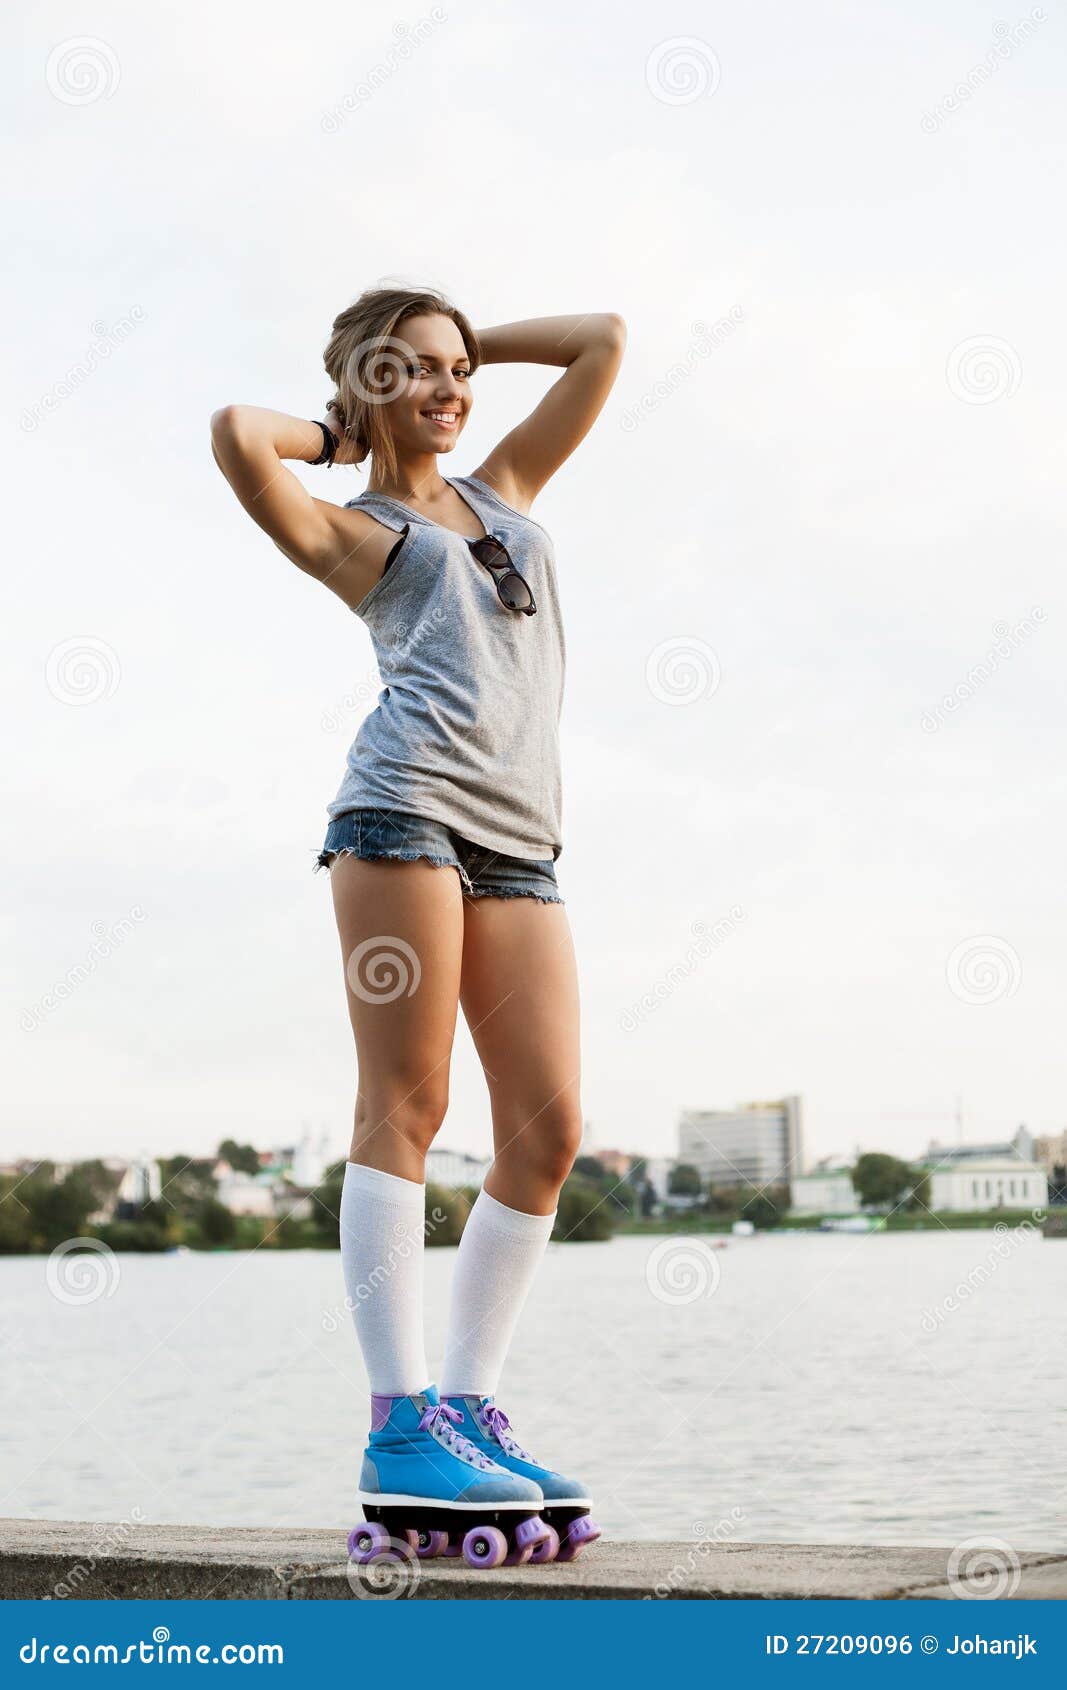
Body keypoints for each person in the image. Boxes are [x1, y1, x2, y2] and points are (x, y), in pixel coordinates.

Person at [210, 287, 625, 1566]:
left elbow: (603, 339)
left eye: (460, 370)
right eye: (421, 369)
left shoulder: (505, 485)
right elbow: (235, 429)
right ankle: (397, 1420)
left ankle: (464, 1406)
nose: (451, 388)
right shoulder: (355, 528)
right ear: (364, 380)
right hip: (401, 814)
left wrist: (460, 341)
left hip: (520, 838)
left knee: (549, 1130)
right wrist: (347, 426)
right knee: (410, 1101)